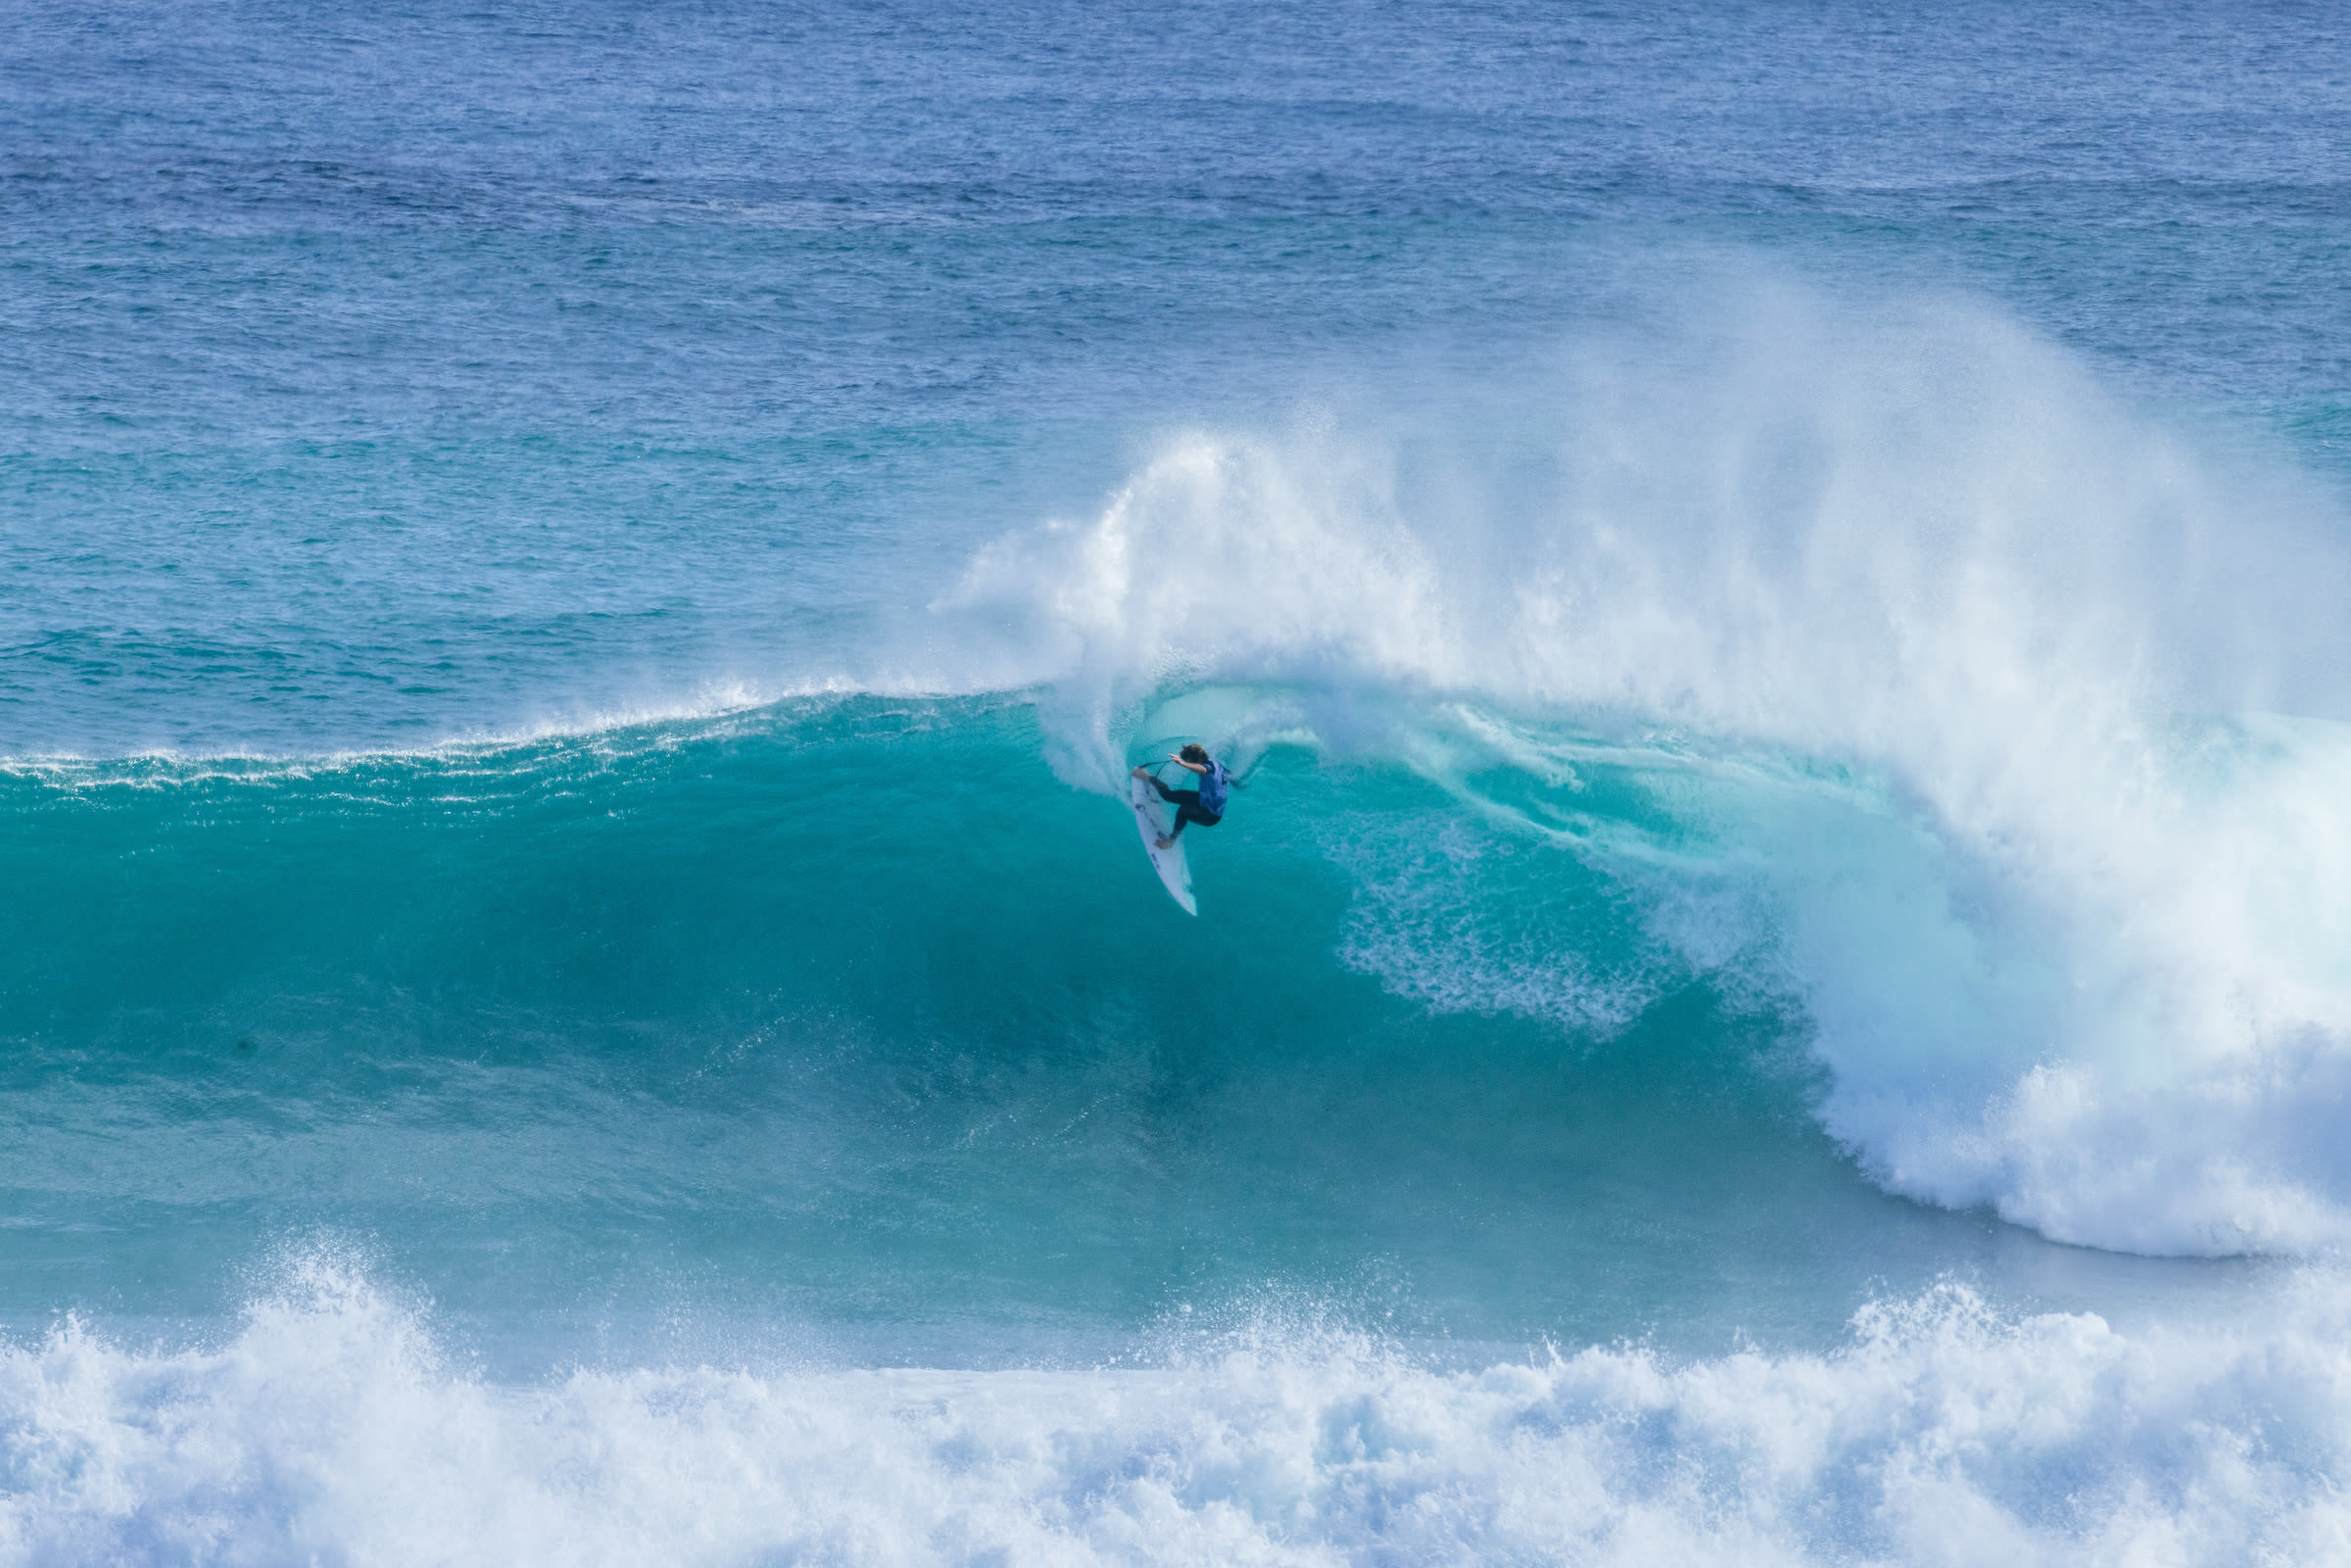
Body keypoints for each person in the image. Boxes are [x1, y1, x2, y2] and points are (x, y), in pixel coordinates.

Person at [1131, 743, 1229, 850]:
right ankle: (1146, 776)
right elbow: (1229, 774)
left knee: (1183, 811)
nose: (1189, 764)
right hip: (1204, 799)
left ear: (1197, 760)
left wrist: (1182, 764)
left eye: (1190, 762)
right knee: (1169, 795)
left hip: (1211, 815)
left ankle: (1171, 840)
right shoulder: (1217, 764)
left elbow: (1202, 769)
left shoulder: (1207, 768)